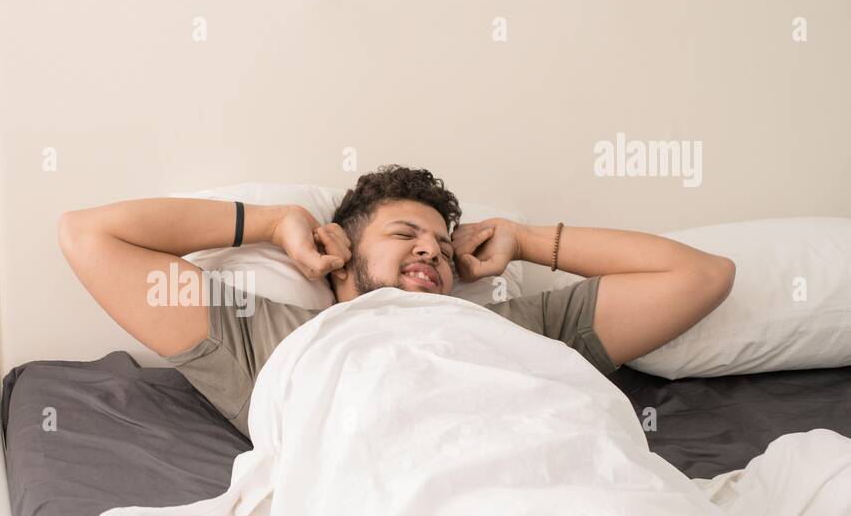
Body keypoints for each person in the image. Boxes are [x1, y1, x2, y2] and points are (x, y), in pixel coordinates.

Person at [57, 165, 735, 438]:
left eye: (443, 246)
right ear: (341, 253)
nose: (432, 252)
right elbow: (89, 236)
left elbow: (702, 276)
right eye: (406, 234)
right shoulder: (266, 339)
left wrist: (527, 240)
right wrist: (268, 223)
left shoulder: (521, 327)